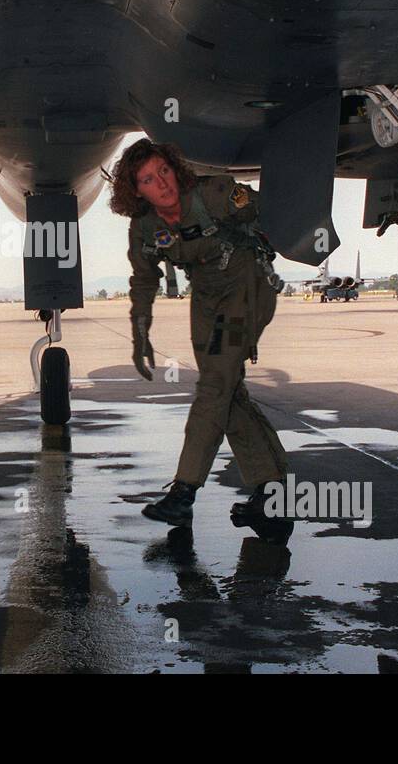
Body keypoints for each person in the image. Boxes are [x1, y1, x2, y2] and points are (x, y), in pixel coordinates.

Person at [109, 138, 292, 539]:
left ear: (175, 168)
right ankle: (273, 491)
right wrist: (140, 335)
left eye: (164, 171)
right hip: (207, 296)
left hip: (247, 284)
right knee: (228, 394)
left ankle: (183, 492)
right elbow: (143, 280)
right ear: (135, 191)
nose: (162, 183)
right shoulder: (145, 227)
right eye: (147, 180)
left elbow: (279, 214)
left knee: (214, 386)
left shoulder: (216, 194)